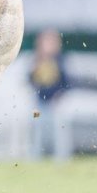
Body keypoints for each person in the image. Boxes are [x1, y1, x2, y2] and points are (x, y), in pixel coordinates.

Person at [28, 29, 69, 159]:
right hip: (39, 102)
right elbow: (31, 80)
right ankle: (36, 157)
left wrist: (60, 94)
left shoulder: (60, 60)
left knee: (59, 129)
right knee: (37, 128)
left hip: (56, 103)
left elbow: (67, 82)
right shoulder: (36, 59)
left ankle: (61, 157)